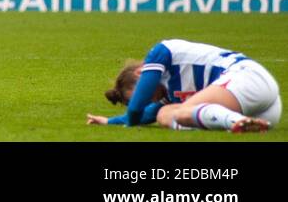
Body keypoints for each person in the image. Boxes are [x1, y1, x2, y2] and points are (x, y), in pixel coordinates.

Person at [87, 38, 280, 133]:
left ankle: (232, 122)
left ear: (141, 73)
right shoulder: (169, 94)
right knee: (168, 114)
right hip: (266, 109)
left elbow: (137, 110)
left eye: (142, 93)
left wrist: (130, 119)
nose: (149, 99)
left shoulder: (161, 52)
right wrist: (108, 121)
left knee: (178, 113)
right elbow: (146, 115)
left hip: (245, 78)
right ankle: (240, 122)